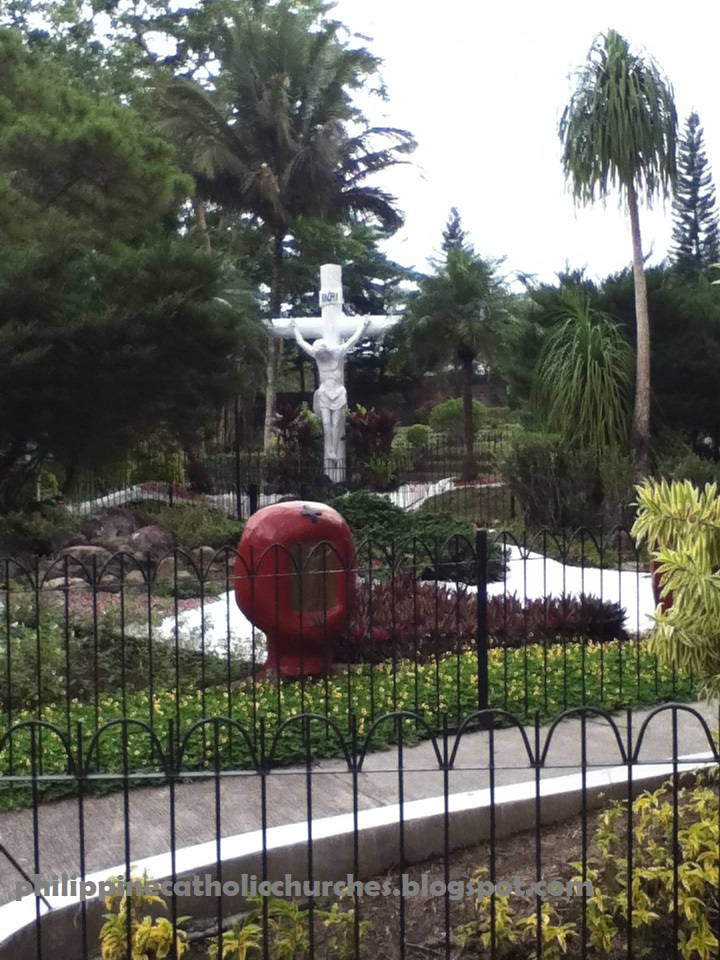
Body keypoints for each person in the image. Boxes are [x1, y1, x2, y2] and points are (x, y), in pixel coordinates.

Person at [289, 317, 370, 462]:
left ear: (326, 350)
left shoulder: (337, 352)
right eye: (317, 354)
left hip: (338, 392)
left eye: (321, 353)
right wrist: (295, 328)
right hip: (324, 393)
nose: (319, 356)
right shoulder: (317, 355)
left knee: (336, 422)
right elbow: (302, 343)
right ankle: (330, 450)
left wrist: (363, 326)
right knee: (326, 423)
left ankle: (333, 449)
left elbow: (352, 341)